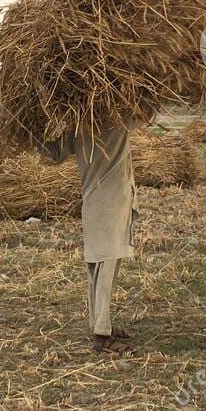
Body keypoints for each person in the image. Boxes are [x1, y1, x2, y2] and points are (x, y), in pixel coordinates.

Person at [45, 127, 136, 354]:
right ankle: (102, 336)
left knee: (98, 266)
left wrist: (35, 131)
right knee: (106, 265)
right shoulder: (119, 117)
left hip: (96, 204)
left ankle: (100, 323)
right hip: (109, 205)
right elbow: (147, 109)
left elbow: (55, 153)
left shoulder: (78, 126)